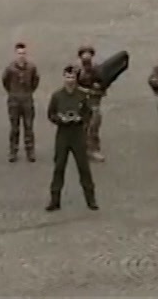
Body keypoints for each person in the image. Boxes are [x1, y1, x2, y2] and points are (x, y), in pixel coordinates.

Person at [46, 65, 97, 212]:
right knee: (59, 167)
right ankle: (55, 200)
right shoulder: (57, 96)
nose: (70, 80)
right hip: (63, 134)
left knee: (84, 167)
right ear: (64, 78)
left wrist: (80, 118)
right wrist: (60, 119)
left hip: (77, 134)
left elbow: (89, 113)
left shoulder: (82, 95)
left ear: (76, 79)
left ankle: (91, 199)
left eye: (72, 77)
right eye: (67, 77)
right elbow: (51, 114)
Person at [2, 42, 40, 163]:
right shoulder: (10, 68)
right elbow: (5, 81)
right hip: (14, 100)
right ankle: (13, 150)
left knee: (29, 126)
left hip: (27, 99)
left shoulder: (32, 68)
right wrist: (12, 92)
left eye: (23, 53)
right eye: (19, 53)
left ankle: (30, 151)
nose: (21, 56)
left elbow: (36, 81)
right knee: (14, 127)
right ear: (16, 54)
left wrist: (29, 91)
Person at [75, 45, 107, 162]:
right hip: (81, 100)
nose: (86, 60)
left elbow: (103, 84)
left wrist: (98, 89)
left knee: (94, 125)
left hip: (94, 100)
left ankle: (94, 149)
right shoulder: (77, 70)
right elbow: (73, 86)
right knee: (82, 126)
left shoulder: (97, 69)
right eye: (84, 58)